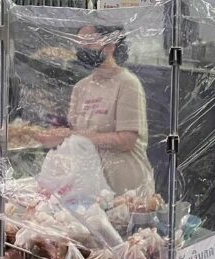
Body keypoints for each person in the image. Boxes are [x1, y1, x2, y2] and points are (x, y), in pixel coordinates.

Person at [40, 26, 154, 194]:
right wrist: (52, 138)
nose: (83, 49)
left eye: (89, 43)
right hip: (91, 186)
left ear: (110, 46)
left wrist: (74, 136)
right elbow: (76, 137)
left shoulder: (127, 83)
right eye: (80, 44)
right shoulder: (81, 87)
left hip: (125, 187)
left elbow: (126, 140)